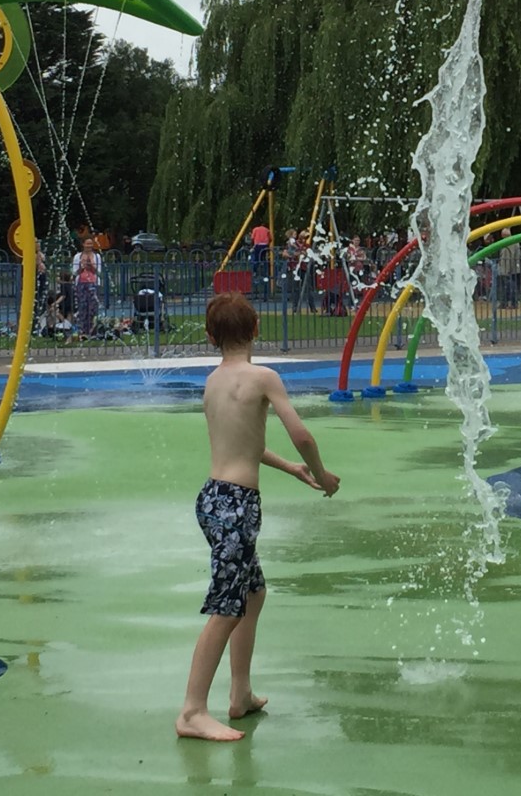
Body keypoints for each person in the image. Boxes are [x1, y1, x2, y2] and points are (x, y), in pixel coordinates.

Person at [175, 293, 341, 742]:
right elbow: (301, 433)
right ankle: (191, 711)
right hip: (236, 507)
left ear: (210, 337)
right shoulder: (264, 377)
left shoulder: (212, 382)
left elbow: (241, 445)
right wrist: (322, 474)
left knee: (253, 592)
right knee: (227, 606)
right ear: (257, 329)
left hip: (213, 499)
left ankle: (241, 692)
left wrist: (290, 468)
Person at [71, 237, 101, 338]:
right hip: (81, 283)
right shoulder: (78, 256)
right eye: (87, 244)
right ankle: (82, 330)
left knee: (93, 307)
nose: (89, 246)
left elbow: (98, 272)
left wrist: (91, 266)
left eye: (91, 244)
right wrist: (82, 267)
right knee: (82, 306)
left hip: (92, 283)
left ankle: (92, 330)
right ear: (83, 244)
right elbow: (75, 272)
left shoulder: (96, 257)